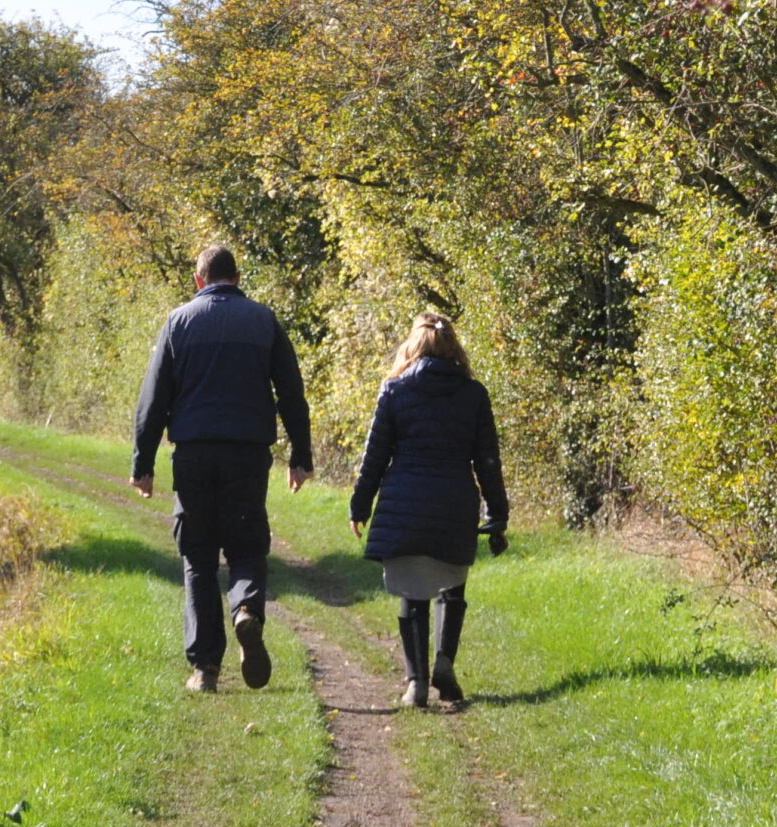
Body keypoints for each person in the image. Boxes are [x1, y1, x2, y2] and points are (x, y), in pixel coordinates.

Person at [131, 245, 314, 691]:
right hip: (248, 453)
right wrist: (301, 457)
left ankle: (205, 668)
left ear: (199, 280)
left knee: (198, 556)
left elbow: (153, 398)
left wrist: (143, 462)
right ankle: (247, 609)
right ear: (236, 278)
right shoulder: (264, 320)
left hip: (193, 453)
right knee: (248, 544)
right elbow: (291, 392)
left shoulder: (178, 322)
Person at [348, 312, 509, 708]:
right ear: (453, 347)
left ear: (412, 346)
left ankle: (416, 682)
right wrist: (497, 514)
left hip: (405, 502)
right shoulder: (474, 395)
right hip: (454, 503)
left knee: (412, 593)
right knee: (452, 587)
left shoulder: (395, 391)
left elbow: (375, 457)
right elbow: (487, 461)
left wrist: (360, 504)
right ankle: (444, 662)